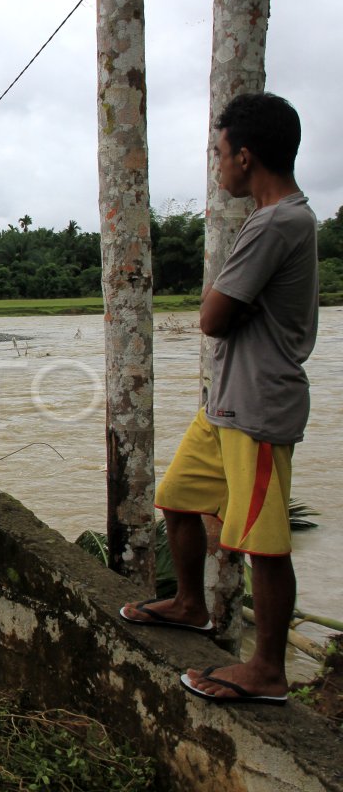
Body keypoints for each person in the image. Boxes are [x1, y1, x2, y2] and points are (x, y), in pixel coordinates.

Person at [119, 92, 319, 705]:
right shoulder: (281, 219)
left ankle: (267, 671)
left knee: (264, 541)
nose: (218, 165)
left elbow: (211, 317)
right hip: (227, 403)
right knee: (177, 499)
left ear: (246, 155)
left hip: (258, 408)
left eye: (220, 153)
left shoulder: (276, 222)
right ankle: (187, 603)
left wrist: (225, 301)